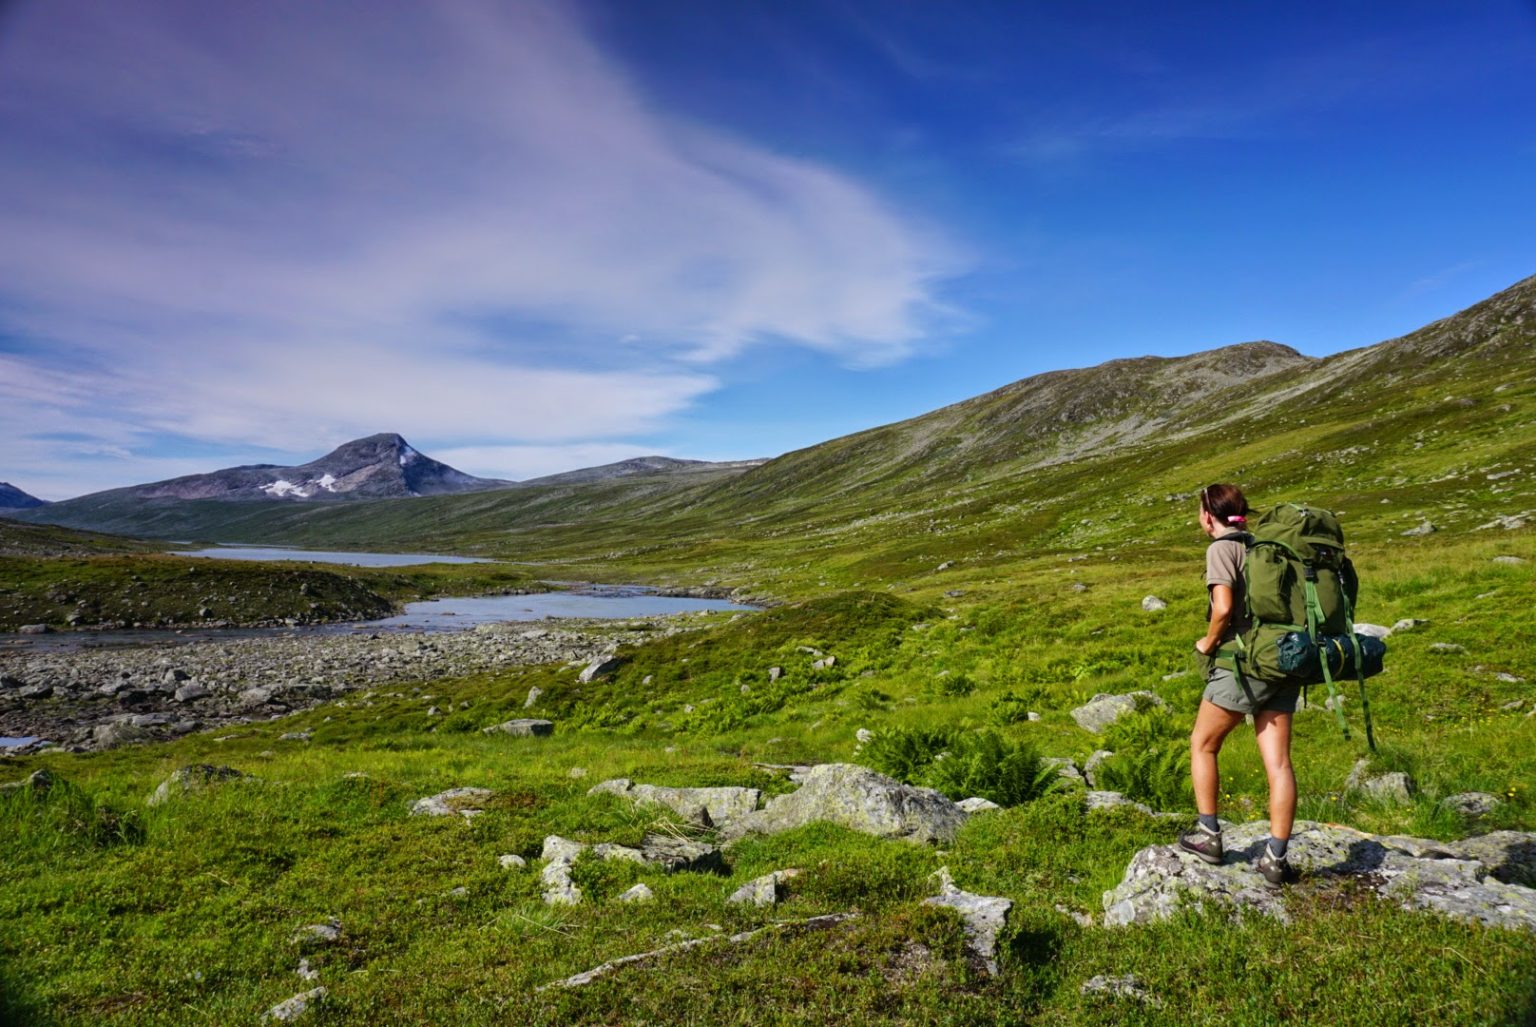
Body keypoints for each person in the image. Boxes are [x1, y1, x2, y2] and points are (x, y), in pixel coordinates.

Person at [1177, 483, 1299, 885]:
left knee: (1203, 743)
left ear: (1208, 515)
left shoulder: (1221, 548)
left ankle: (1210, 837)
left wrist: (1208, 642)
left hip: (1241, 663)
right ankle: (1275, 861)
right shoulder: (1266, 545)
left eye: (1199, 511)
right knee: (1279, 763)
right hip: (1281, 661)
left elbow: (1224, 607)